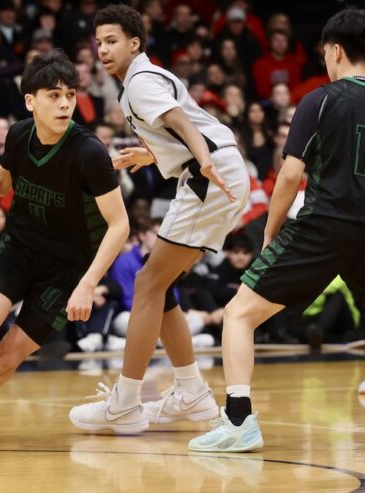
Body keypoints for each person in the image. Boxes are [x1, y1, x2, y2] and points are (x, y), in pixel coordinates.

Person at [189, 9, 365, 452]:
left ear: (335, 51)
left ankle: (239, 424)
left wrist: (271, 232)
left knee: (239, 314)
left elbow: (290, 176)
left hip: (321, 230)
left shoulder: (320, 99)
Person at [0, 50, 129, 441]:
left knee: (11, 353)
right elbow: (0, 185)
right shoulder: (19, 135)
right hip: (21, 244)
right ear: (30, 101)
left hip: (68, 267)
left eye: (70, 94)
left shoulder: (89, 153)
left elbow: (120, 225)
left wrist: (88, 283)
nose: (65, 102)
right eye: (54, 95)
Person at [68, 5, 249, 434]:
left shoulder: (140, 83)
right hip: (216, 172)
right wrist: (150, 153)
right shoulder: (151, 76)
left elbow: (181, 120)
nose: (103, 50)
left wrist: (202, 160)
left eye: (111, 41)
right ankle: (191, 392)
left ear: (134, 43)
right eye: (98, 43)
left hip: (209, 177)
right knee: (159, 285)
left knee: (147, 284)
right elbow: (184, 128)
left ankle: (126, 403)